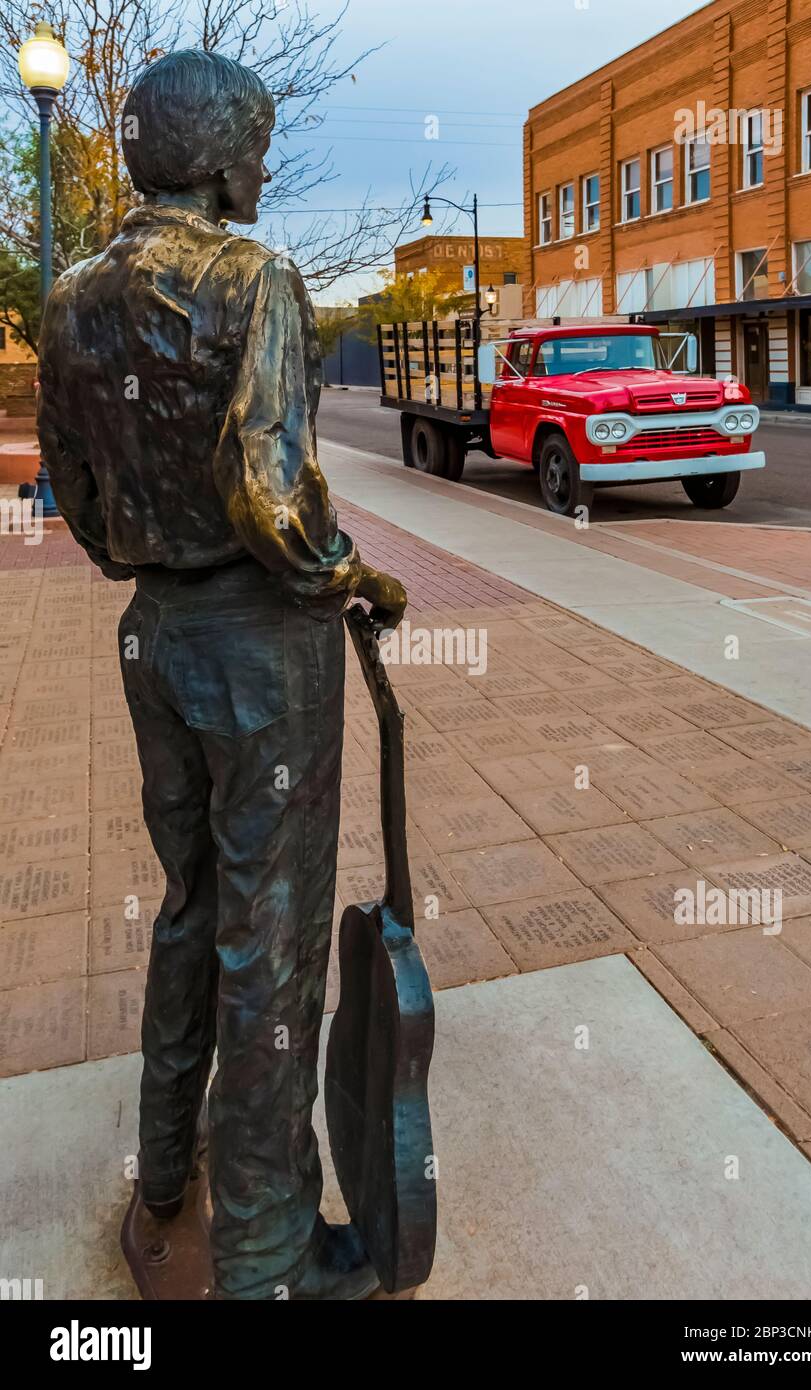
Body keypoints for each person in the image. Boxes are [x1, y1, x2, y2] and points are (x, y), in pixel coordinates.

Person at [37, 47, 406, 1301]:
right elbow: (270, 489)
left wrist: (143, 558)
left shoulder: (73, 298)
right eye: (250, 144)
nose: (258, 165)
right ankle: (265, 1253)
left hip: (155, 634)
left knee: (191, 904)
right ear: (211, 159)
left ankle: (163, 1174)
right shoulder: (254, 278)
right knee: (272, 938)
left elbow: (75, 494)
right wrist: (346, 567)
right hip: (261, 647)